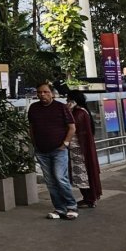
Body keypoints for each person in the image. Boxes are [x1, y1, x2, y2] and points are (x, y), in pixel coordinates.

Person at [28, 82, 77, 220]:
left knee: (60, 178)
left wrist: (65, 144)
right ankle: (59, 208)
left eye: (45, 92)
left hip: (58, 149)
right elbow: (31, 127)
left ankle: (71, 206)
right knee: (50, 181)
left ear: (52, 94)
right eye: (39, 92)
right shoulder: (33, 108)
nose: (42, 95)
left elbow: (72, 127)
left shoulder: (61, 108)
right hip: (41, 150)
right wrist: (34, 143)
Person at [65, 89, 102, 208]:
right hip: (80, 148)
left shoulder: (78, 113)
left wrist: (68, 110)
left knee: (82, 174)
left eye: (68, 99)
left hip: (78, 150)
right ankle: (89, 198)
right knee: (81, 174)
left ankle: (89, 198)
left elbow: (71, 126)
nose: (67, 101)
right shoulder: (84, 111)